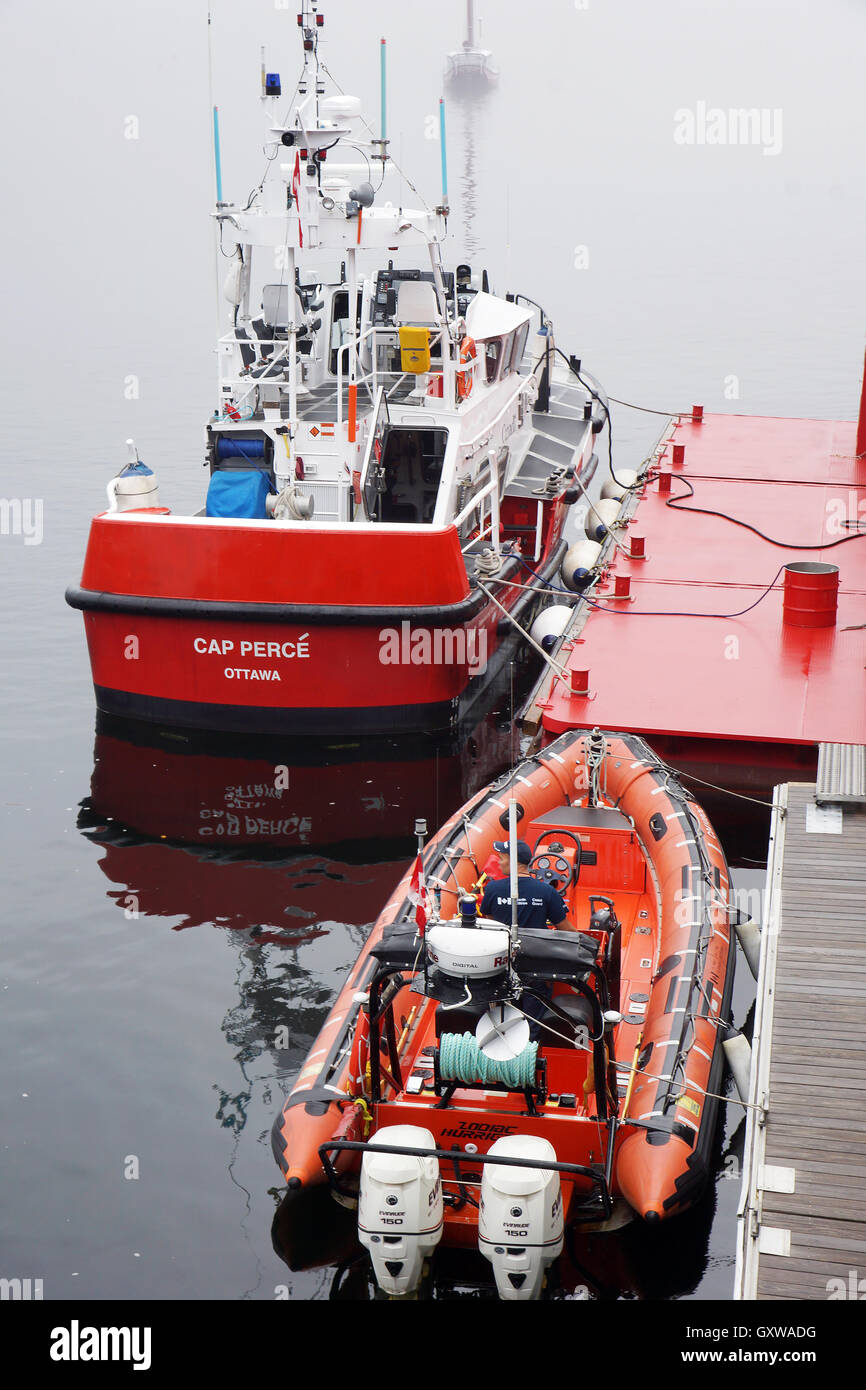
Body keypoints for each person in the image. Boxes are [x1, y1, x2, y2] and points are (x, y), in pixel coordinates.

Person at [479, 839, 568, 930]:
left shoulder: (492, 888)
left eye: (501, 858)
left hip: (504, 943)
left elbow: (491, 922)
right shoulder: (548, 891)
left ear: (513, 861)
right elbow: (566, 930)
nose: (499, 862)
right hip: (536, 944)